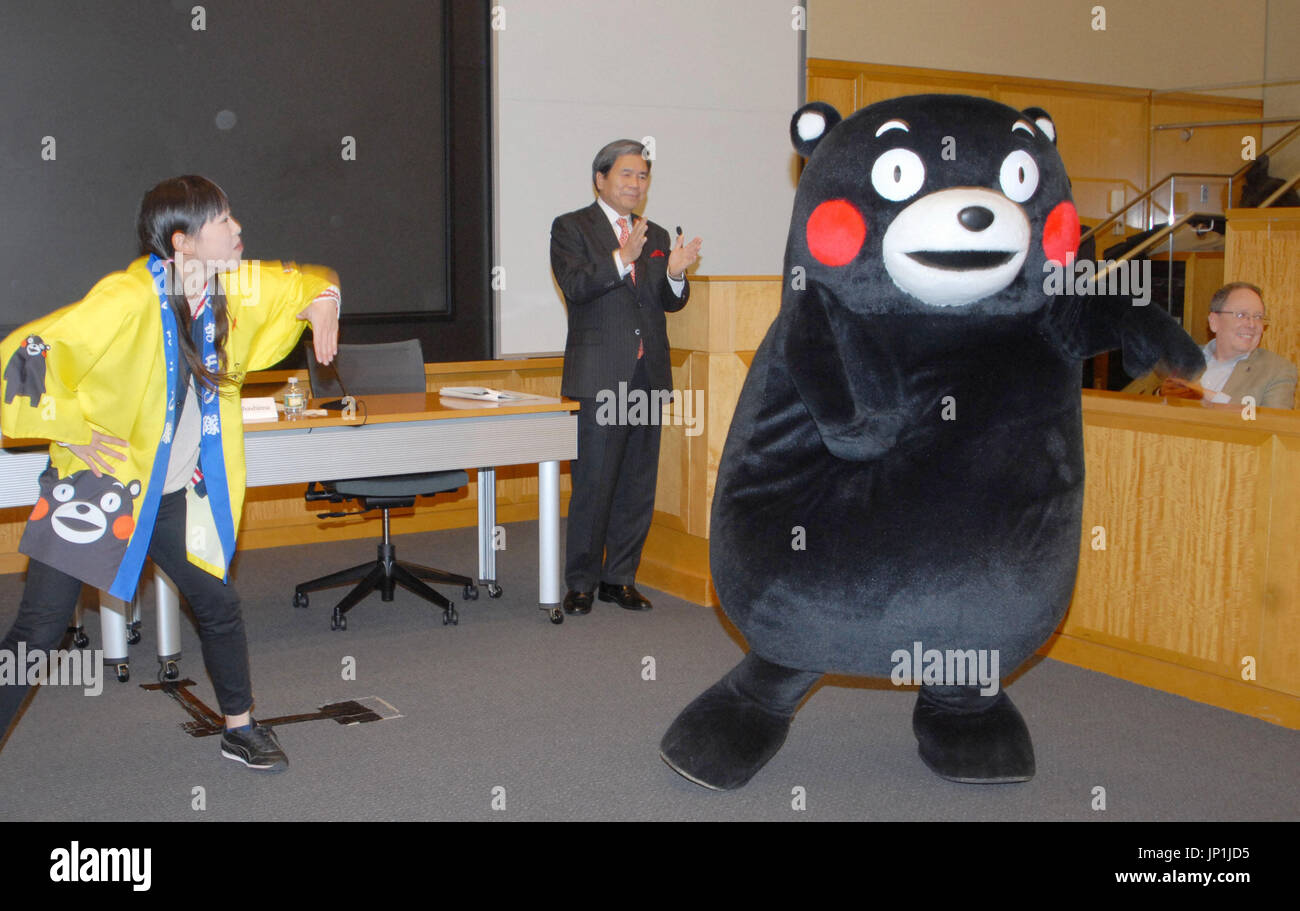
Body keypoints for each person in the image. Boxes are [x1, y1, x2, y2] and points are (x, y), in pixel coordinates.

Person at [0, 175, 340, 770]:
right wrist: (75, 427)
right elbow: (25, 352)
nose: (237, 230)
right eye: (222, 221)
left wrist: (324, 302)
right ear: (182, 242)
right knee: (41, 628)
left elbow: (303, 281)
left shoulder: (226, 287)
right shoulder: (126, 298)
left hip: (178, 489)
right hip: (98, 486)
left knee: (217, 601)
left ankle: (239, 726)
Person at [550, 139, 703, 615]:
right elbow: (576, 286)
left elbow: (666, 302)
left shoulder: (654, 234)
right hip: (600, 377)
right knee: (594, 483)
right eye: (626, 175)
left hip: (646, 376)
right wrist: (620, 258)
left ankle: (620, 577)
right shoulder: (571, 227)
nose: (636, 184)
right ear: (601, 179)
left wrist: (676, 275)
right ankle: (581, 582)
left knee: (637, 483)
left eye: (642, 176)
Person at [1159, 282, 1296, 409]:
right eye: (1242, 315)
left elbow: (1272, 425)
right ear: (1214, 322)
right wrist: (1161, 393)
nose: (1252, 324)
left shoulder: (1277, 370)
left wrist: (1205, 395)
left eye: (1258, 317)